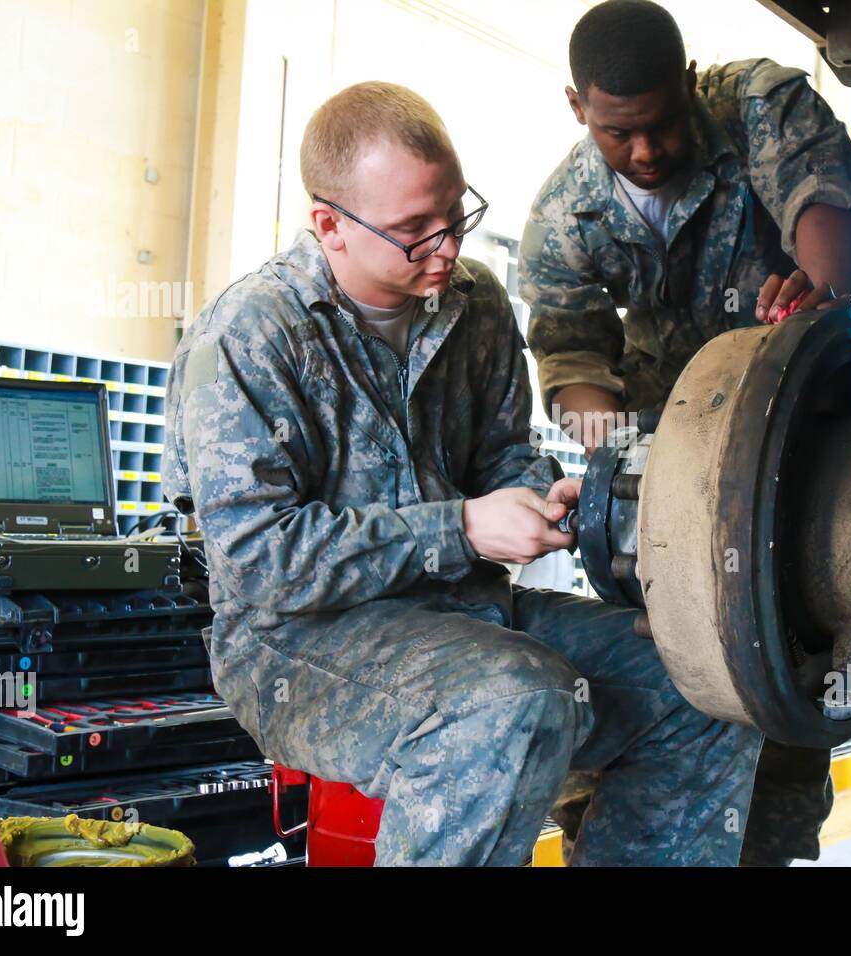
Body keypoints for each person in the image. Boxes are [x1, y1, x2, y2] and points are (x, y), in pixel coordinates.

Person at [163, 80, 763, 866]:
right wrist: (464, 526)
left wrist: (545, 496)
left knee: (709, 685)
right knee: (511, 706)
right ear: (329, 225)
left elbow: (503, 453)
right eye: (415, 231)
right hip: (296, 645)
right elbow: (258, 559)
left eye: (455, 214)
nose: (446, 247)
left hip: (465, 613)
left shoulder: (474, 303)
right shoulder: (251, 335)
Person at [520, 0, 851, 864]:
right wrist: (623, 451)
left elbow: (823, 202)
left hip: (799, 448)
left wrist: (816, 293)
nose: (644, 152)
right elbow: (570, 355)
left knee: (787, 678)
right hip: (667, 480)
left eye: (660, 125)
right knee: (666, 689)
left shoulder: (758, 103)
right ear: (578, 108)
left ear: (687, 84)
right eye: (616, 134)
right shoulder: (565, 220)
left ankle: (774, 849)